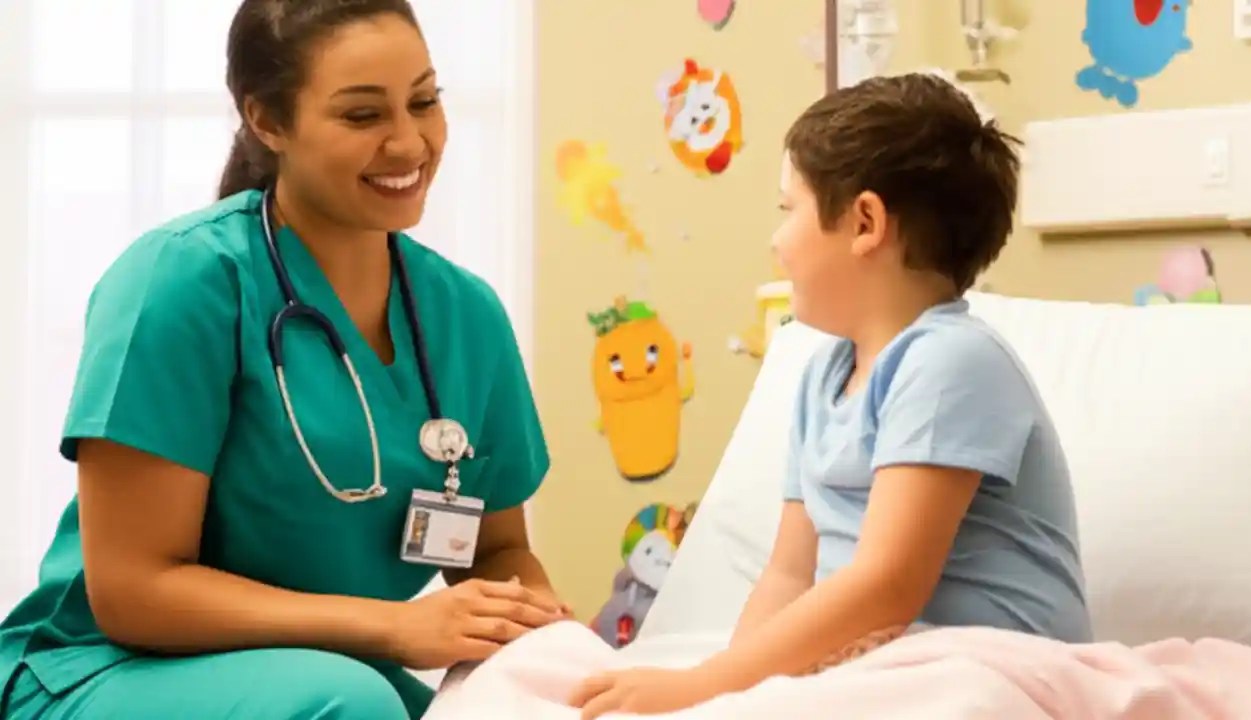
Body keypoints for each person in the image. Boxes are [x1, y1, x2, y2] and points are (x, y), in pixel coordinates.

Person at [0, 1, 568, 718]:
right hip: (100, 669)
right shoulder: (180, 282)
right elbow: (133, 590)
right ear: (268, 121)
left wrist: (539, 636)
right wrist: (394, 628)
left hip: (320, 668)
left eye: (424, 101)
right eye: (363, 117)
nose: (408, 142)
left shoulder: (465, 315)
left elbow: (494, 555)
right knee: (357, 704)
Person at [568, 72, 1092, 718]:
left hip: (994, 667)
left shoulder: (950, 362)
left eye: (788, 210)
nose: (776, 240)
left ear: (865, 222)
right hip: (887, 662)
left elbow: (887, 584)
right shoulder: (821, 376)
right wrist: (725, 694)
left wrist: (699, 685)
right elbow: (789, 575)